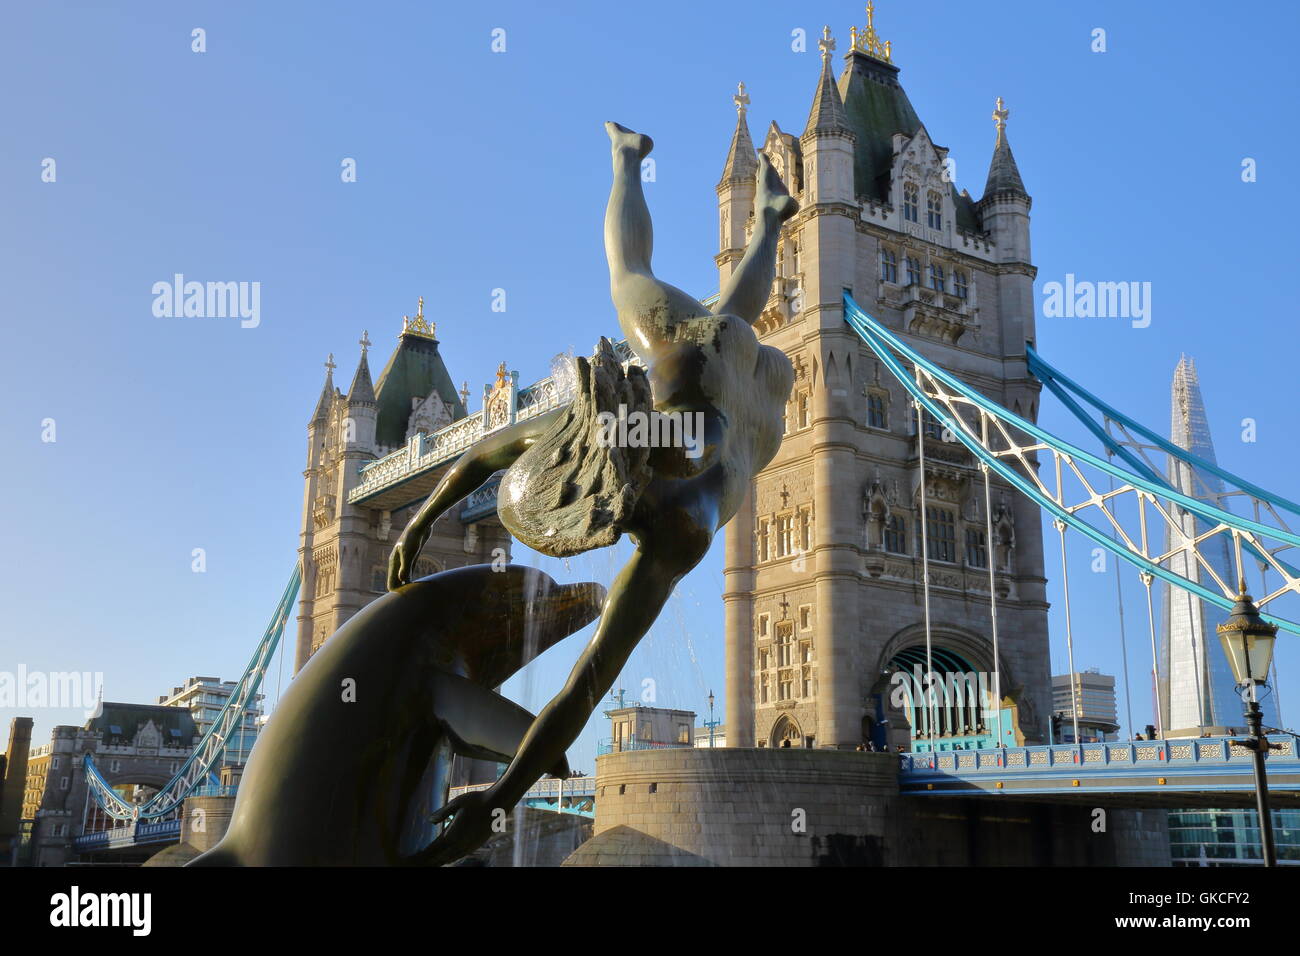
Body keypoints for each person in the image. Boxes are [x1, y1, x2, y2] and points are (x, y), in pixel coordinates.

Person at [393, 122, 798, 865]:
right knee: (638, 279)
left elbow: (582, 692)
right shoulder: (649, 399)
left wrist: (499, 798)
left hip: (762, 406)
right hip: (717, 373)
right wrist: (421, 516)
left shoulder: (678, 535)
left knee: (698, 307)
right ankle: (640, 162)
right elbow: (498, 450)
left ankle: (748, 204)